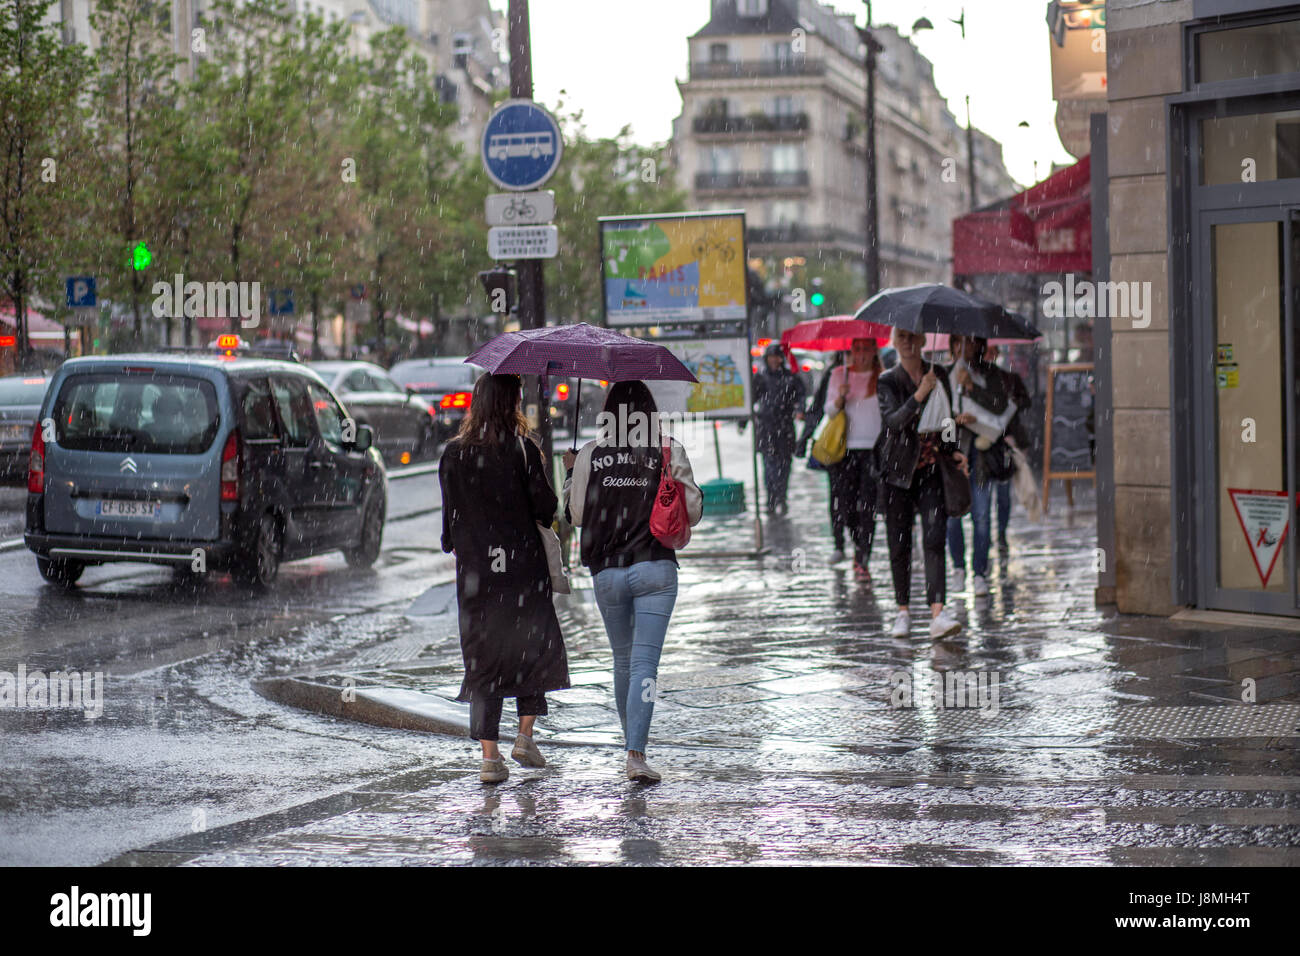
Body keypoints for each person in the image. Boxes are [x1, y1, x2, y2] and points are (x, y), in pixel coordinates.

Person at [563, 381, 703, 783]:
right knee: (645, 664)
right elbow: (691, 512)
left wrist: (572, 474)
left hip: (606, 572)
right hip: (655, 568)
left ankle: (632, 746)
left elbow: (575, 516)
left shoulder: (590, 454)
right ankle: (635, 754)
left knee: (623, 661)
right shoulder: (666, 448)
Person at [439, 373, 571, 784]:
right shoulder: (524, 451)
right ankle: (525, 736)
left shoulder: (453, 454)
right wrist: (550, 470)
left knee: (484, 660)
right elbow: (546, 509)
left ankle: (489, 758)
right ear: (513, 403)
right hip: (522, 572)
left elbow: (448, 529)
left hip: (478, 577)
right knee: (531, 649)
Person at [877, 327, 970, 639]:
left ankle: (937, 613)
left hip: (932, 469)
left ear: (922, 341)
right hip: (897, 472)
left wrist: (953, 450)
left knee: (934, 538)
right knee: (899, 544)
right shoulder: (888, 380)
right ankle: (902, 610)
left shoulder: (938, 373)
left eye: (911, 337)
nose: (906, 342)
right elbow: (893, 422)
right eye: (900, 337)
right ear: (894, 342)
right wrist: (919, 394)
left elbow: (945, 419)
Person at [946, 335, 1013, 597]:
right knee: (953, 515)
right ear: (952, 346)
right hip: (955, 454)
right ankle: (958, 568)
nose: (965, 348)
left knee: (982, 516)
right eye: (959, 342)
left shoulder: (991, 374)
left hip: (983, 455)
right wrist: (956, 420)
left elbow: (1000, 406)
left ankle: (980, 572)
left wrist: (973, 388)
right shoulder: (944, 375)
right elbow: (939, 415)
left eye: (971, 342)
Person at [824, 337, 884, 578]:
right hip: (844, 450)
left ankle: (862, 556)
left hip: (873, 450)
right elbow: (829, 410)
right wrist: (840, 397)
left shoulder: (883, 376)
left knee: (868, 507)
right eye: (856, 349)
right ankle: (853, 542)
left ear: (874, 351)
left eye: (866, 349)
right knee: (846, 507)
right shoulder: (840, 374)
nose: (861, 354)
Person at [984, 343, 1032, 549]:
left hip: (1005, 442)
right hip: (985, 444)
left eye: (991, 352)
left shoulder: (1009, 379)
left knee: (1003, 495)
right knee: (984, 498)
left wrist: (1011, 402)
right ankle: (985, 536)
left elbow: (1025, 402)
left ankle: (1001, 533)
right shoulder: (975, 382)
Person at [797, 351, 847, 551]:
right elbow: (818, 408)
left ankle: (860, 551)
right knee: (836, 496)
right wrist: (805, 438)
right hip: (834, 445)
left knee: (858, 502)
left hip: (863, 450)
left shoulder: (877, 374)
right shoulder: (833, 375)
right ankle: (839, 544)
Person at [752, 343, 806, 514]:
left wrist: (800, 410)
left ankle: (781, 496)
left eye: (777, 357)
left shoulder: (791, 378)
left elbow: (801, 396)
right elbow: (752, 398)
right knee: (769, 466)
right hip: (766, 427)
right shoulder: (760, 377)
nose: (774, 360)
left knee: (784, 466)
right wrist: (742, 421)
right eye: (771, 357)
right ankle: (771, 497)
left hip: (785, 428)